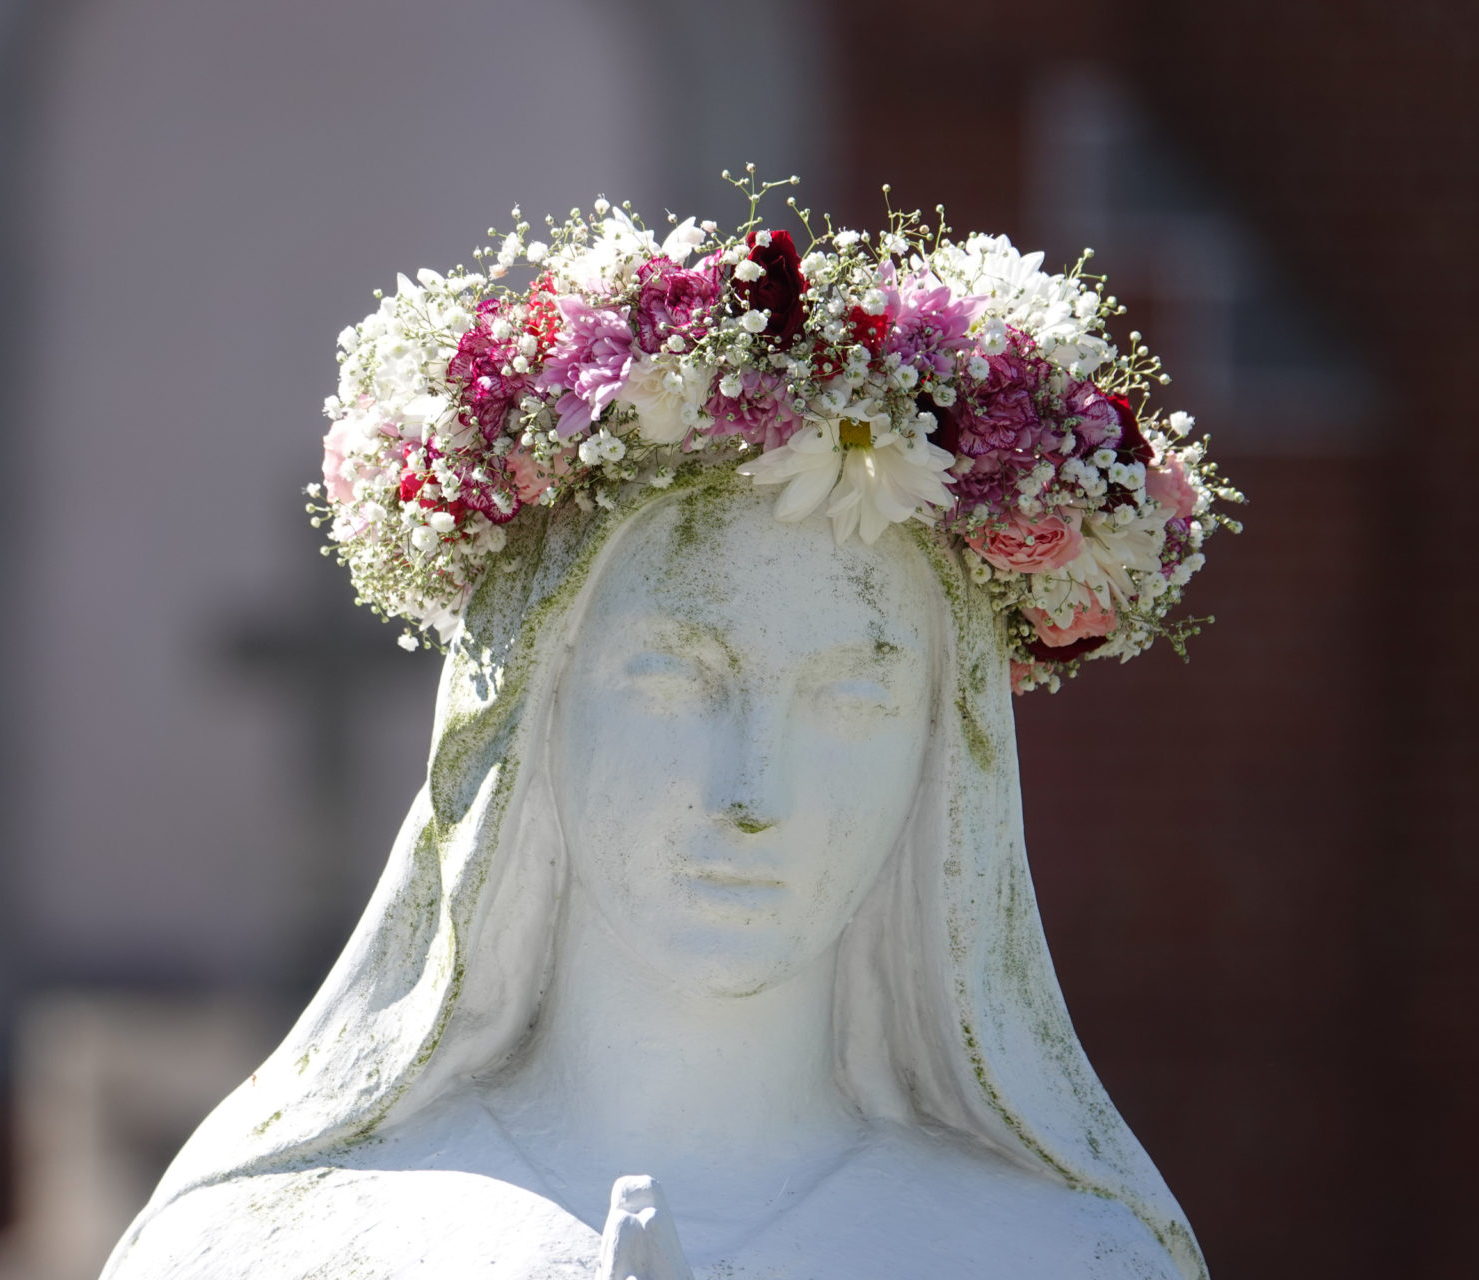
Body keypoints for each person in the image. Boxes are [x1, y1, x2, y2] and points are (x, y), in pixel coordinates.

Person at [100, 476, 1203, 1279]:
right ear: (537, 701)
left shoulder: (1075, 1258)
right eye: (678, 677)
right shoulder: (256, 1248)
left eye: (849, 699)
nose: (754, 788)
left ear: (941, 758)